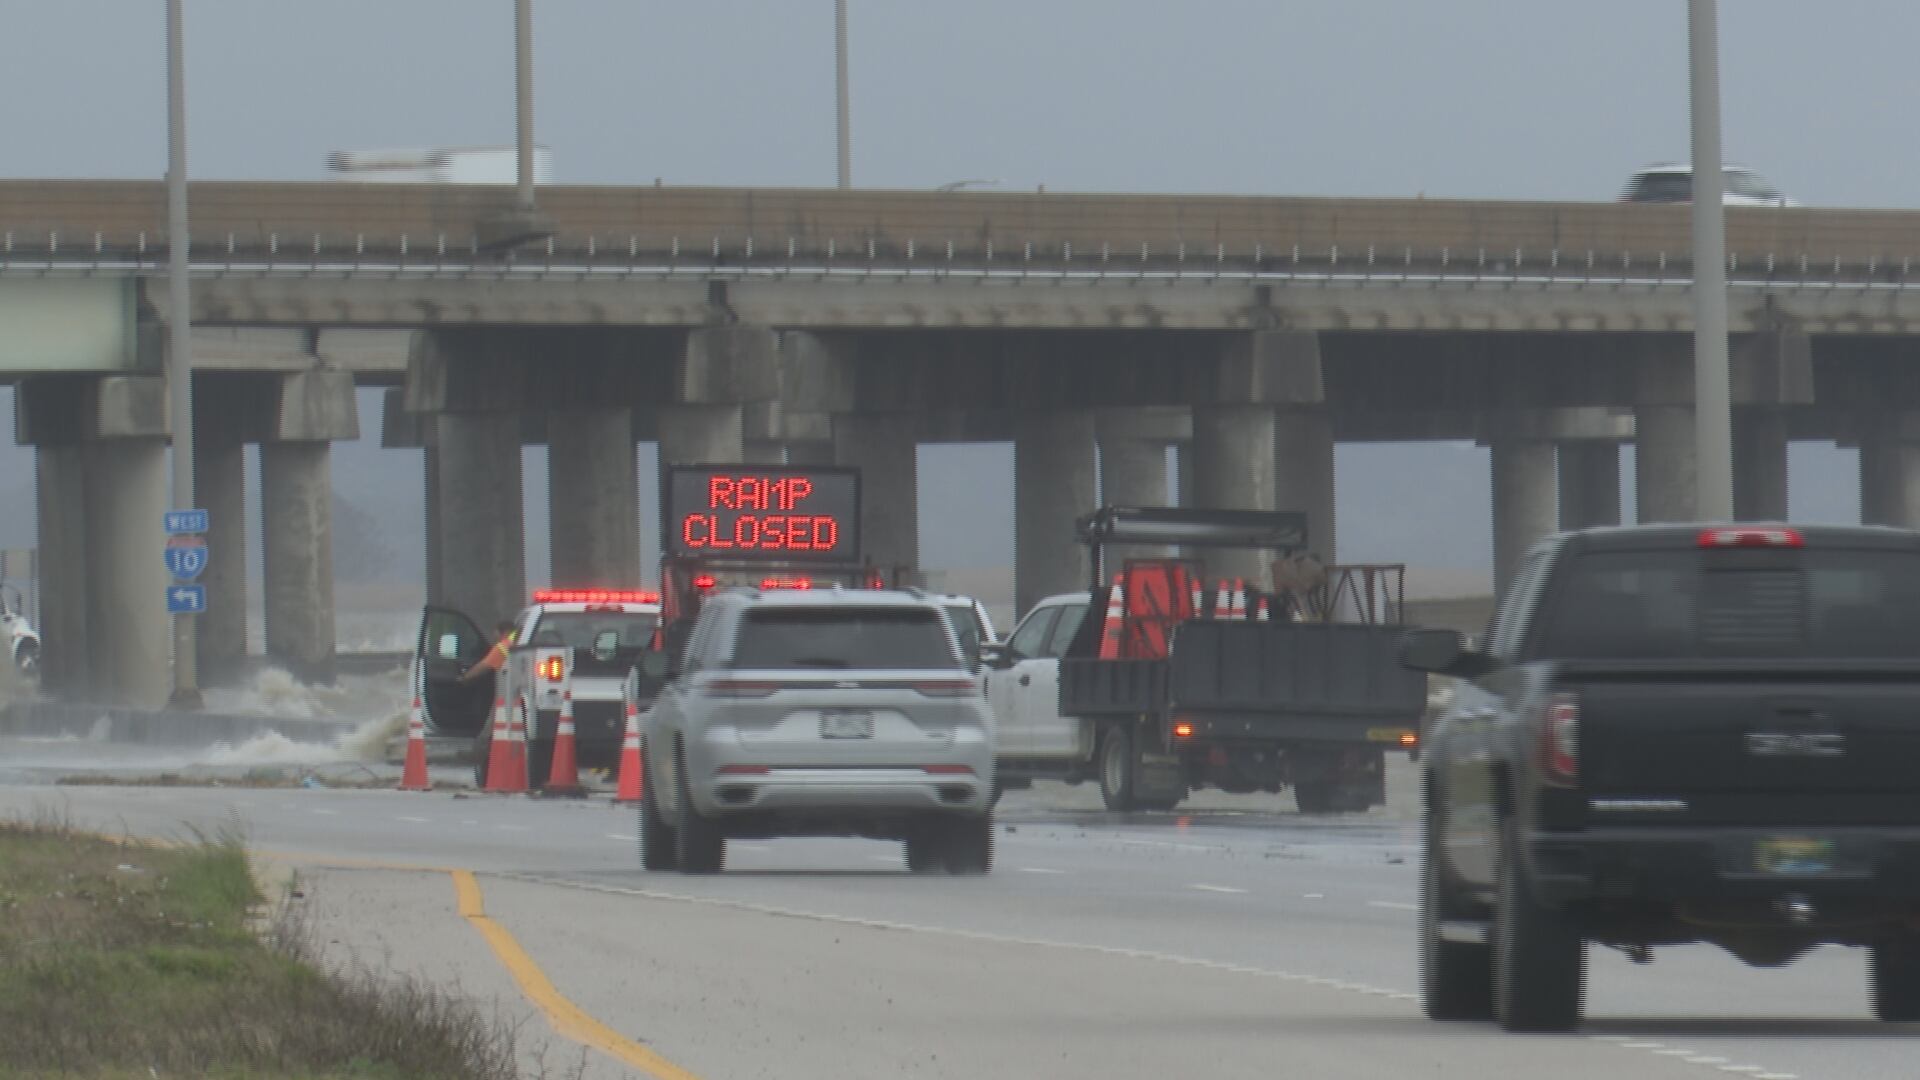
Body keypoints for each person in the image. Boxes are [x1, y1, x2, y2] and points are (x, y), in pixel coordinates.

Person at [460, 621, 518, 688]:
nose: (497, 640)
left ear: (505, 633)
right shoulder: (521, 640)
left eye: (498, 637)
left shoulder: (503, 647)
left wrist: (463, 679)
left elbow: (481, 668)